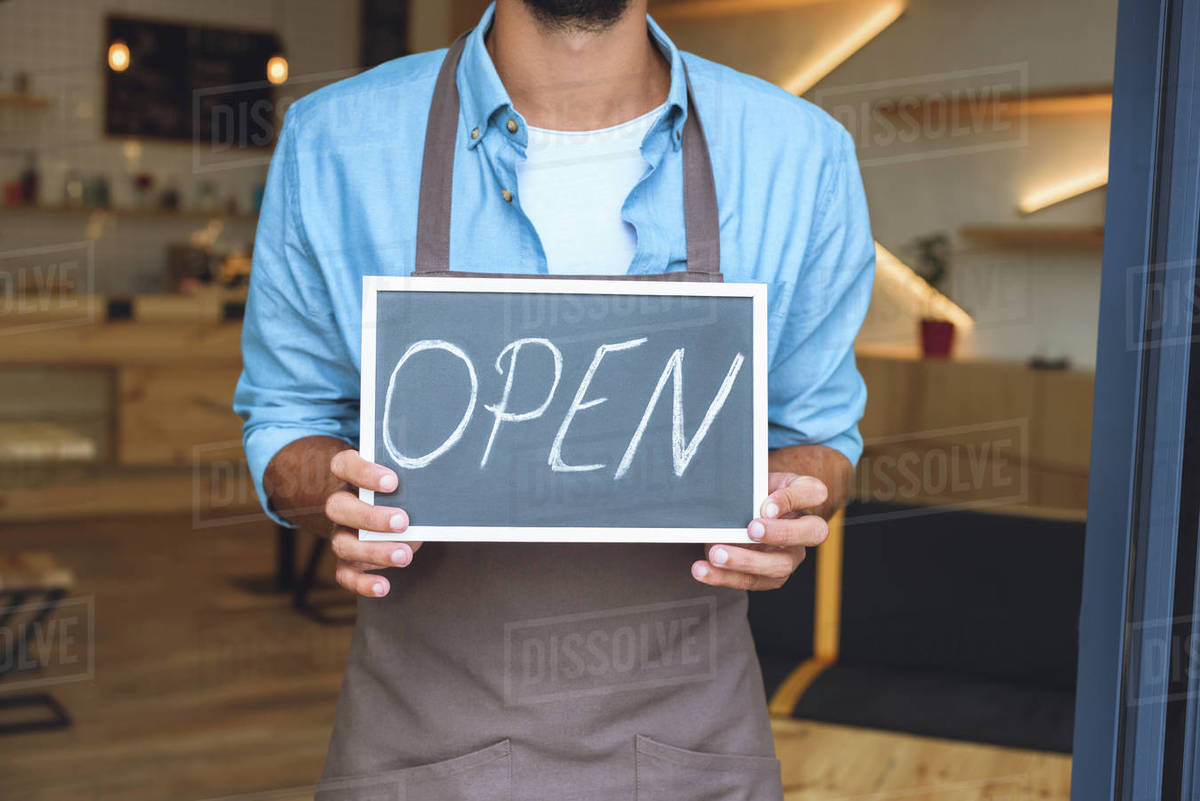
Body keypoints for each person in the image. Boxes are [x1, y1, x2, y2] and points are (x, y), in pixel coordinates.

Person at [234, 0, 874, 798]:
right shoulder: (335, 142)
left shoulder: (800, 155)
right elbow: (285, 423)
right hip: (417, 745)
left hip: (692, 751)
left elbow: (822, 437)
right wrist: (342, 490)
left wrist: (790, 499)